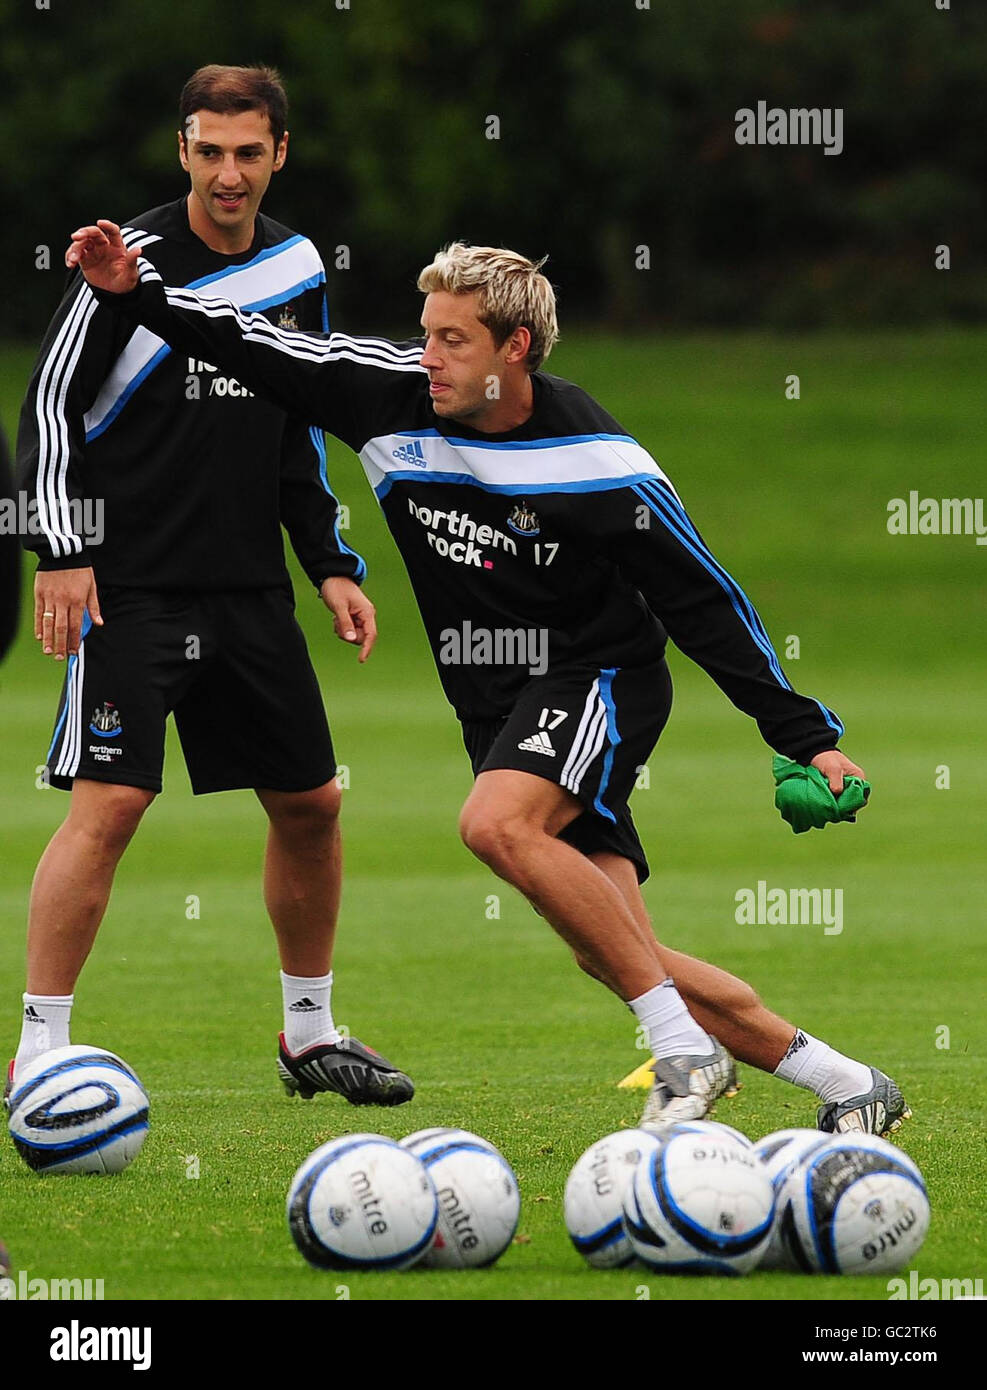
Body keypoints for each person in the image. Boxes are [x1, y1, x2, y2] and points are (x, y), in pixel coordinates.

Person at [67, 227, 909, 1136]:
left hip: (598, 680)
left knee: (493, 824)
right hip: (498, 709)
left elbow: (704, 599)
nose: (426, 357)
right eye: (425, 332)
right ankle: (844, 1082)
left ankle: (681, 1051)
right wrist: (137, 293)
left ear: (516, 350)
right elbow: (253, 343)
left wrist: (804, 737)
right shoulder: (385, 396)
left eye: (452, 340)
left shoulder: (597, 462)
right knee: (619, 948)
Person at [6, 66, 413, 1112]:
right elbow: (50, 408)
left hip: (247, 588)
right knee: (113, 804)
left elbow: (298, 413)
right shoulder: (125, 261)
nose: (227, 173)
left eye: (248, 152)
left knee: (314, 802)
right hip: (131, 586)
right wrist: (61, 546)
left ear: (280, 152)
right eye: (208, 150)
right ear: (182, 151)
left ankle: (311, 1032)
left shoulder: (294, 263)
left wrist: (326, 559)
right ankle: (40, 1049)